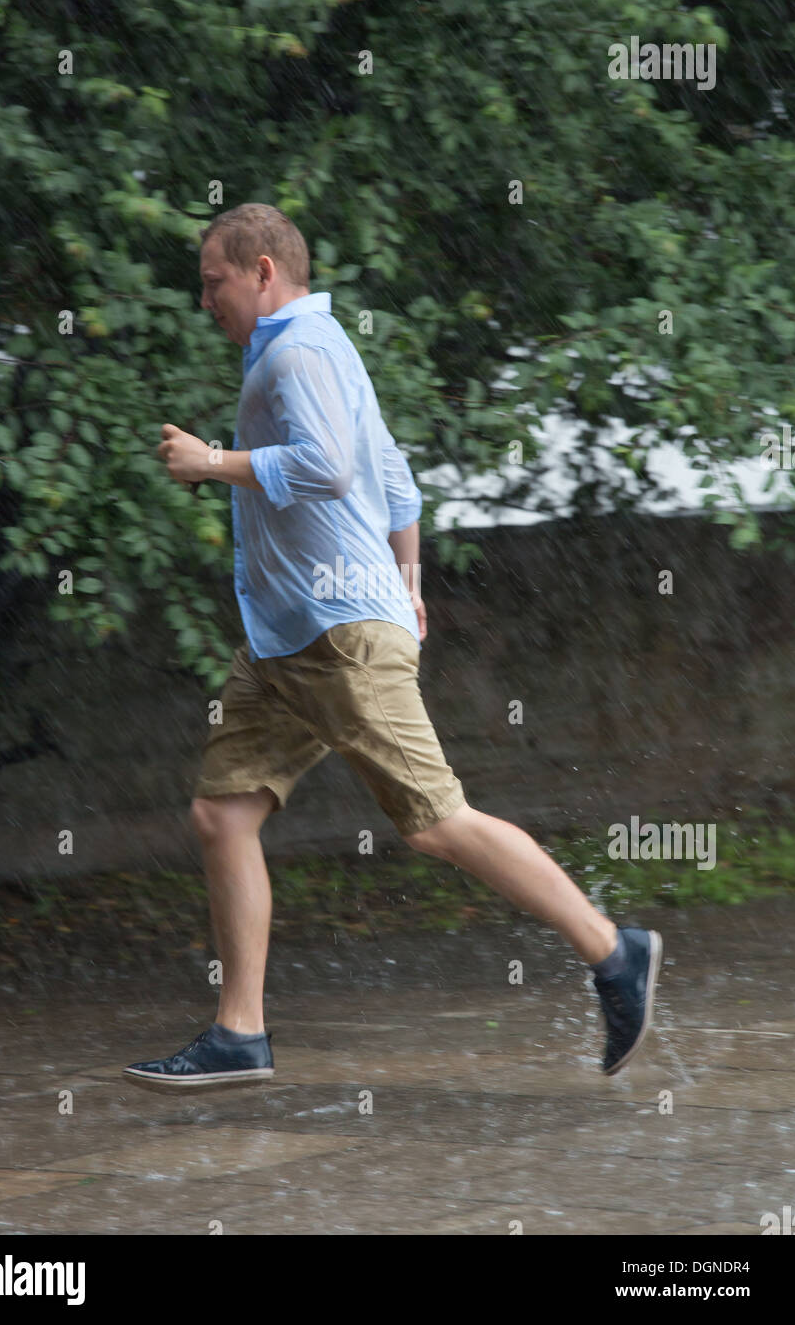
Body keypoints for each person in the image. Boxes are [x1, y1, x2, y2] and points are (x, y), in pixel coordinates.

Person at [122, 203, 661, 1091]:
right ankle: (240, 1033)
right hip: (289, 641)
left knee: (438, 825)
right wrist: (409, 580)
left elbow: (331, 467)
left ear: (262, 271)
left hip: (335, 636)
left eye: (212, 281)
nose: (202, 299)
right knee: (223, 813)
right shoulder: (318, 348)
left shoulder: (298, 349)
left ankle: (613, 950)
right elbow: (394, 476)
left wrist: (213, 462)